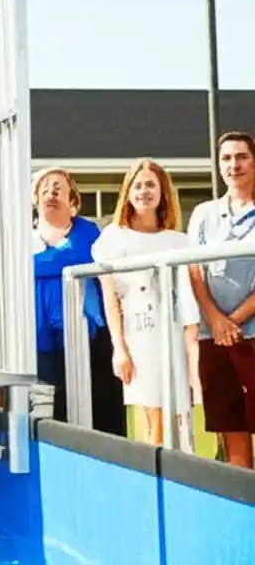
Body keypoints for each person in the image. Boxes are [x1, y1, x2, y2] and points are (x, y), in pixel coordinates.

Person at [91, 159, 200, 445]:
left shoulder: (180, 241)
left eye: (151, 184)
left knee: (182, 416)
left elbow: (191, 295)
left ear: (163, 191)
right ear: (127, 193)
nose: (144, 191)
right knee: (154, 419)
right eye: (137, 185)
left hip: (177, 333)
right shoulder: (113, 238)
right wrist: (120, 349)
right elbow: (110, 297)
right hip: (140, 334)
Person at [31, 167, 127, 435]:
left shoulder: (89, 234)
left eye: (59, 189)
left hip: (89, 340)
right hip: (40, 344)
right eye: (45, 189)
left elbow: (76, 259)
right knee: (53, 413)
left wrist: (34, 265)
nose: (51, 193)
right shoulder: (22, 240)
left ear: (73, 204)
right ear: (35, 199)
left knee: (101, 416)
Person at [186, 131, 255, 469]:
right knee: (232, 428)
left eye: (241, 156)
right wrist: (215, 319)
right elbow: (195, 271)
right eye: (226, 158)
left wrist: (236, 320)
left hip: (251, 333)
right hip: (213, 335)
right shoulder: (203, 213)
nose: (234, 164)